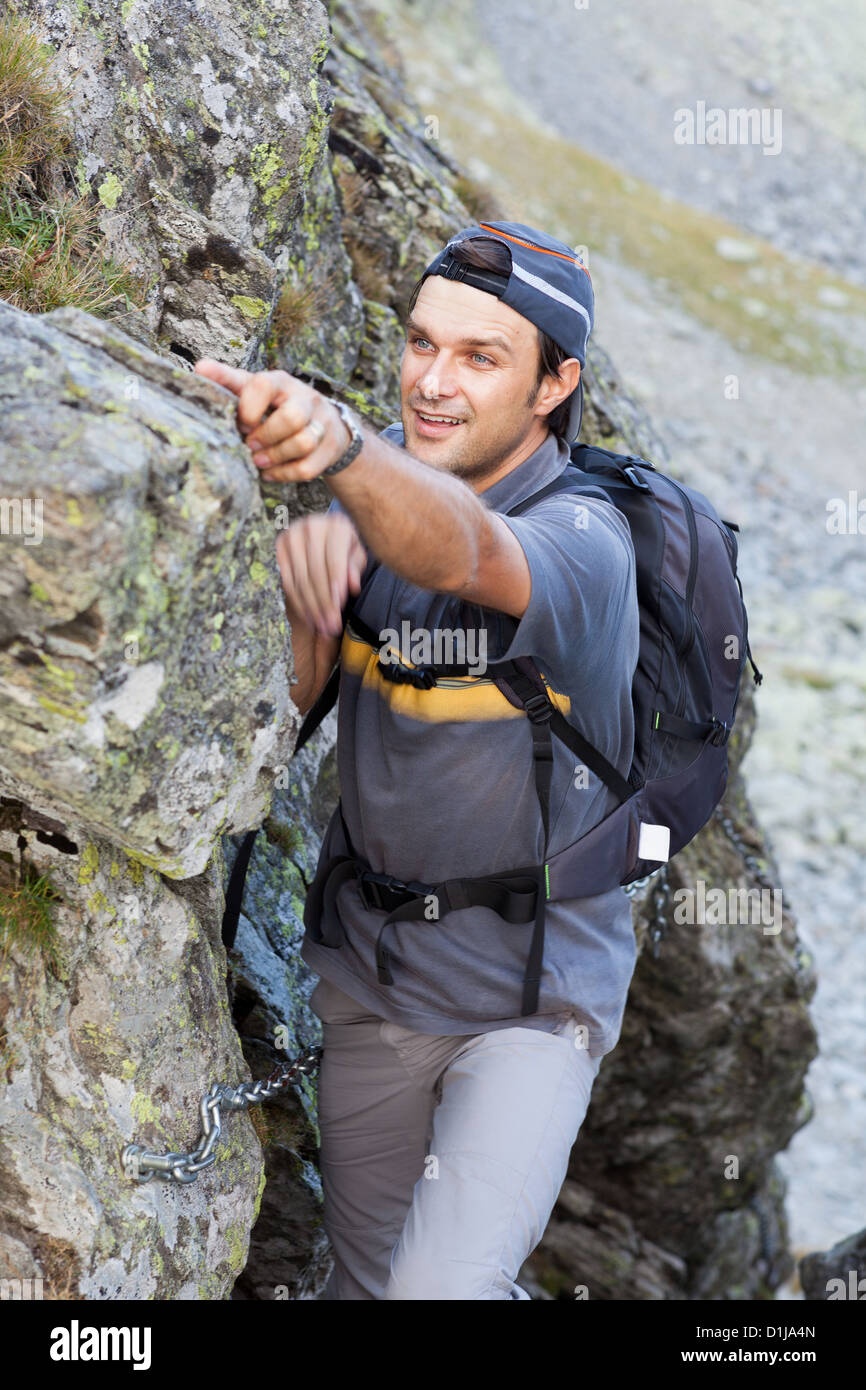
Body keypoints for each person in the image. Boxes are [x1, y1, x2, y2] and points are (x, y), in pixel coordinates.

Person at [194, 220, 640, 1300]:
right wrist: (314, 601)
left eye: (479, 358)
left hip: (530, 1006)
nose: (433, 383)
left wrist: (346, 454)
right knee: (360, 1280)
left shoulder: (585, 542)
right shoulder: (373, 516)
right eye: (420, 344)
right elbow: (273, 739)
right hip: (371, 980)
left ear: (553, 385)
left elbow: (473, 552)